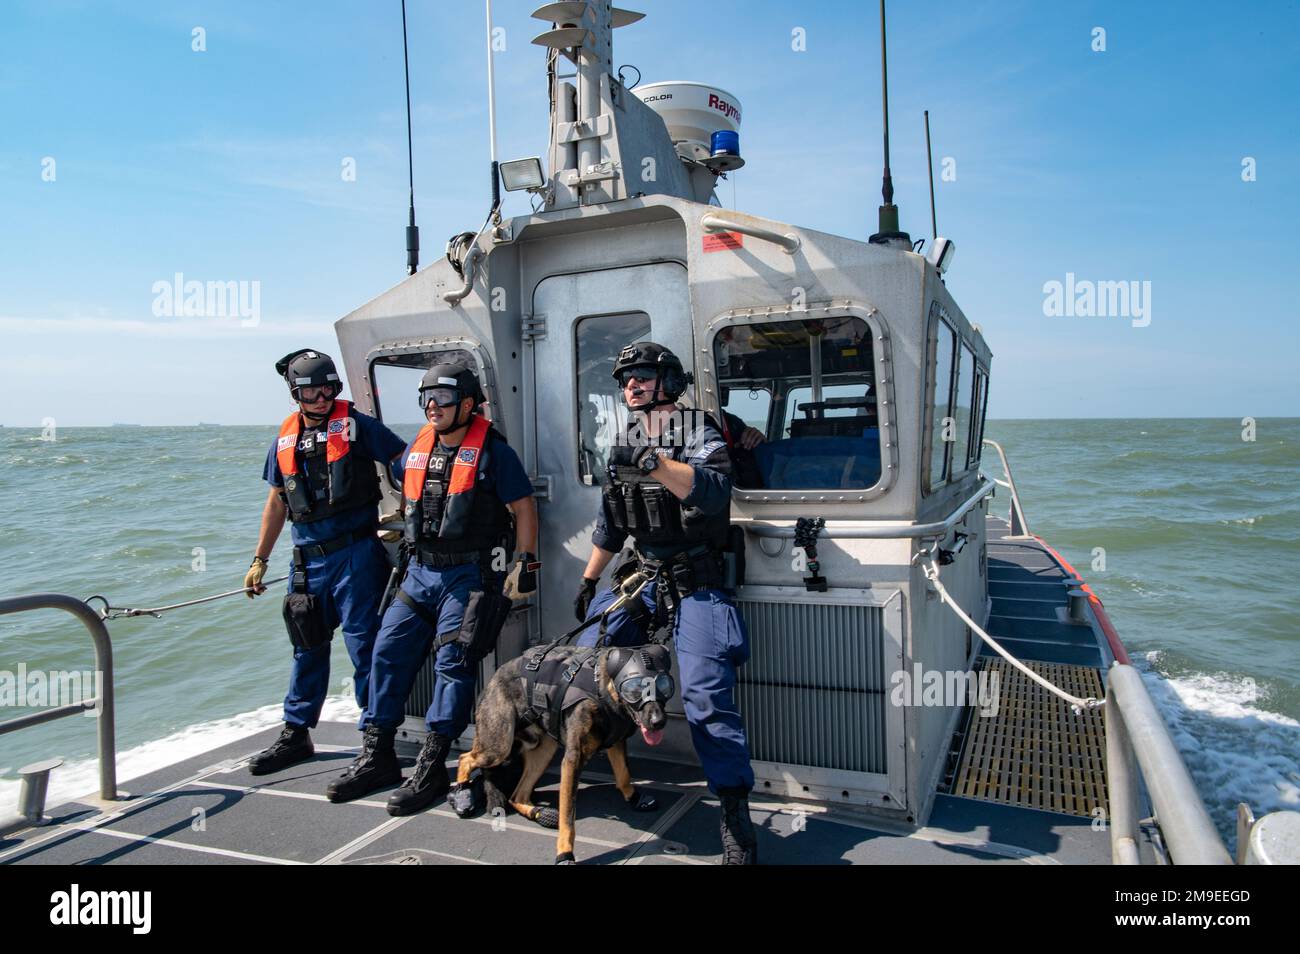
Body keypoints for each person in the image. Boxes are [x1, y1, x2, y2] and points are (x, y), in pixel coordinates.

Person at [572, 342, 759, 864]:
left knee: (705, 696)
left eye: (641, 375)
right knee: (591, 654)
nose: (630, 385)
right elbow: (611, 521)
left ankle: (734, 813)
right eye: (625, 378)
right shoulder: (624, 439)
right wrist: (590, 582)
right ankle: (618, 761)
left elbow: (716, 491)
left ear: (669, 381)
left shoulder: (699, 431)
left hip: (697, 578)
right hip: (645, 576)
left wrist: (653, 461)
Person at [325, 363, 539, 816]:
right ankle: (378, 754)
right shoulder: (418, 450)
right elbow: (410, 487)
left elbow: (523, 507)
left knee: (453, 663)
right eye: (426, 399)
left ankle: (432, 764)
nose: (431, 407)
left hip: (467, 576)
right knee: (385, 653)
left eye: (441, 399)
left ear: (466, 404)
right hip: (419, 573)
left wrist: (525, 564)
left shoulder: (494, 453)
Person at [244, 349, 406, 779]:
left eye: (328, 389)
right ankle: (296, 733)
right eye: (310, 391)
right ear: (295, 394)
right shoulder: (284, 440)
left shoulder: (358, 427)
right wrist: (260, 558)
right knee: (307, 647)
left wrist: (412, 509)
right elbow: (277, 501)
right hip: (307, 562)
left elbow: (405, 461)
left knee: (364, 650)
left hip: (356, 556)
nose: (320, 398)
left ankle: (376, 743)